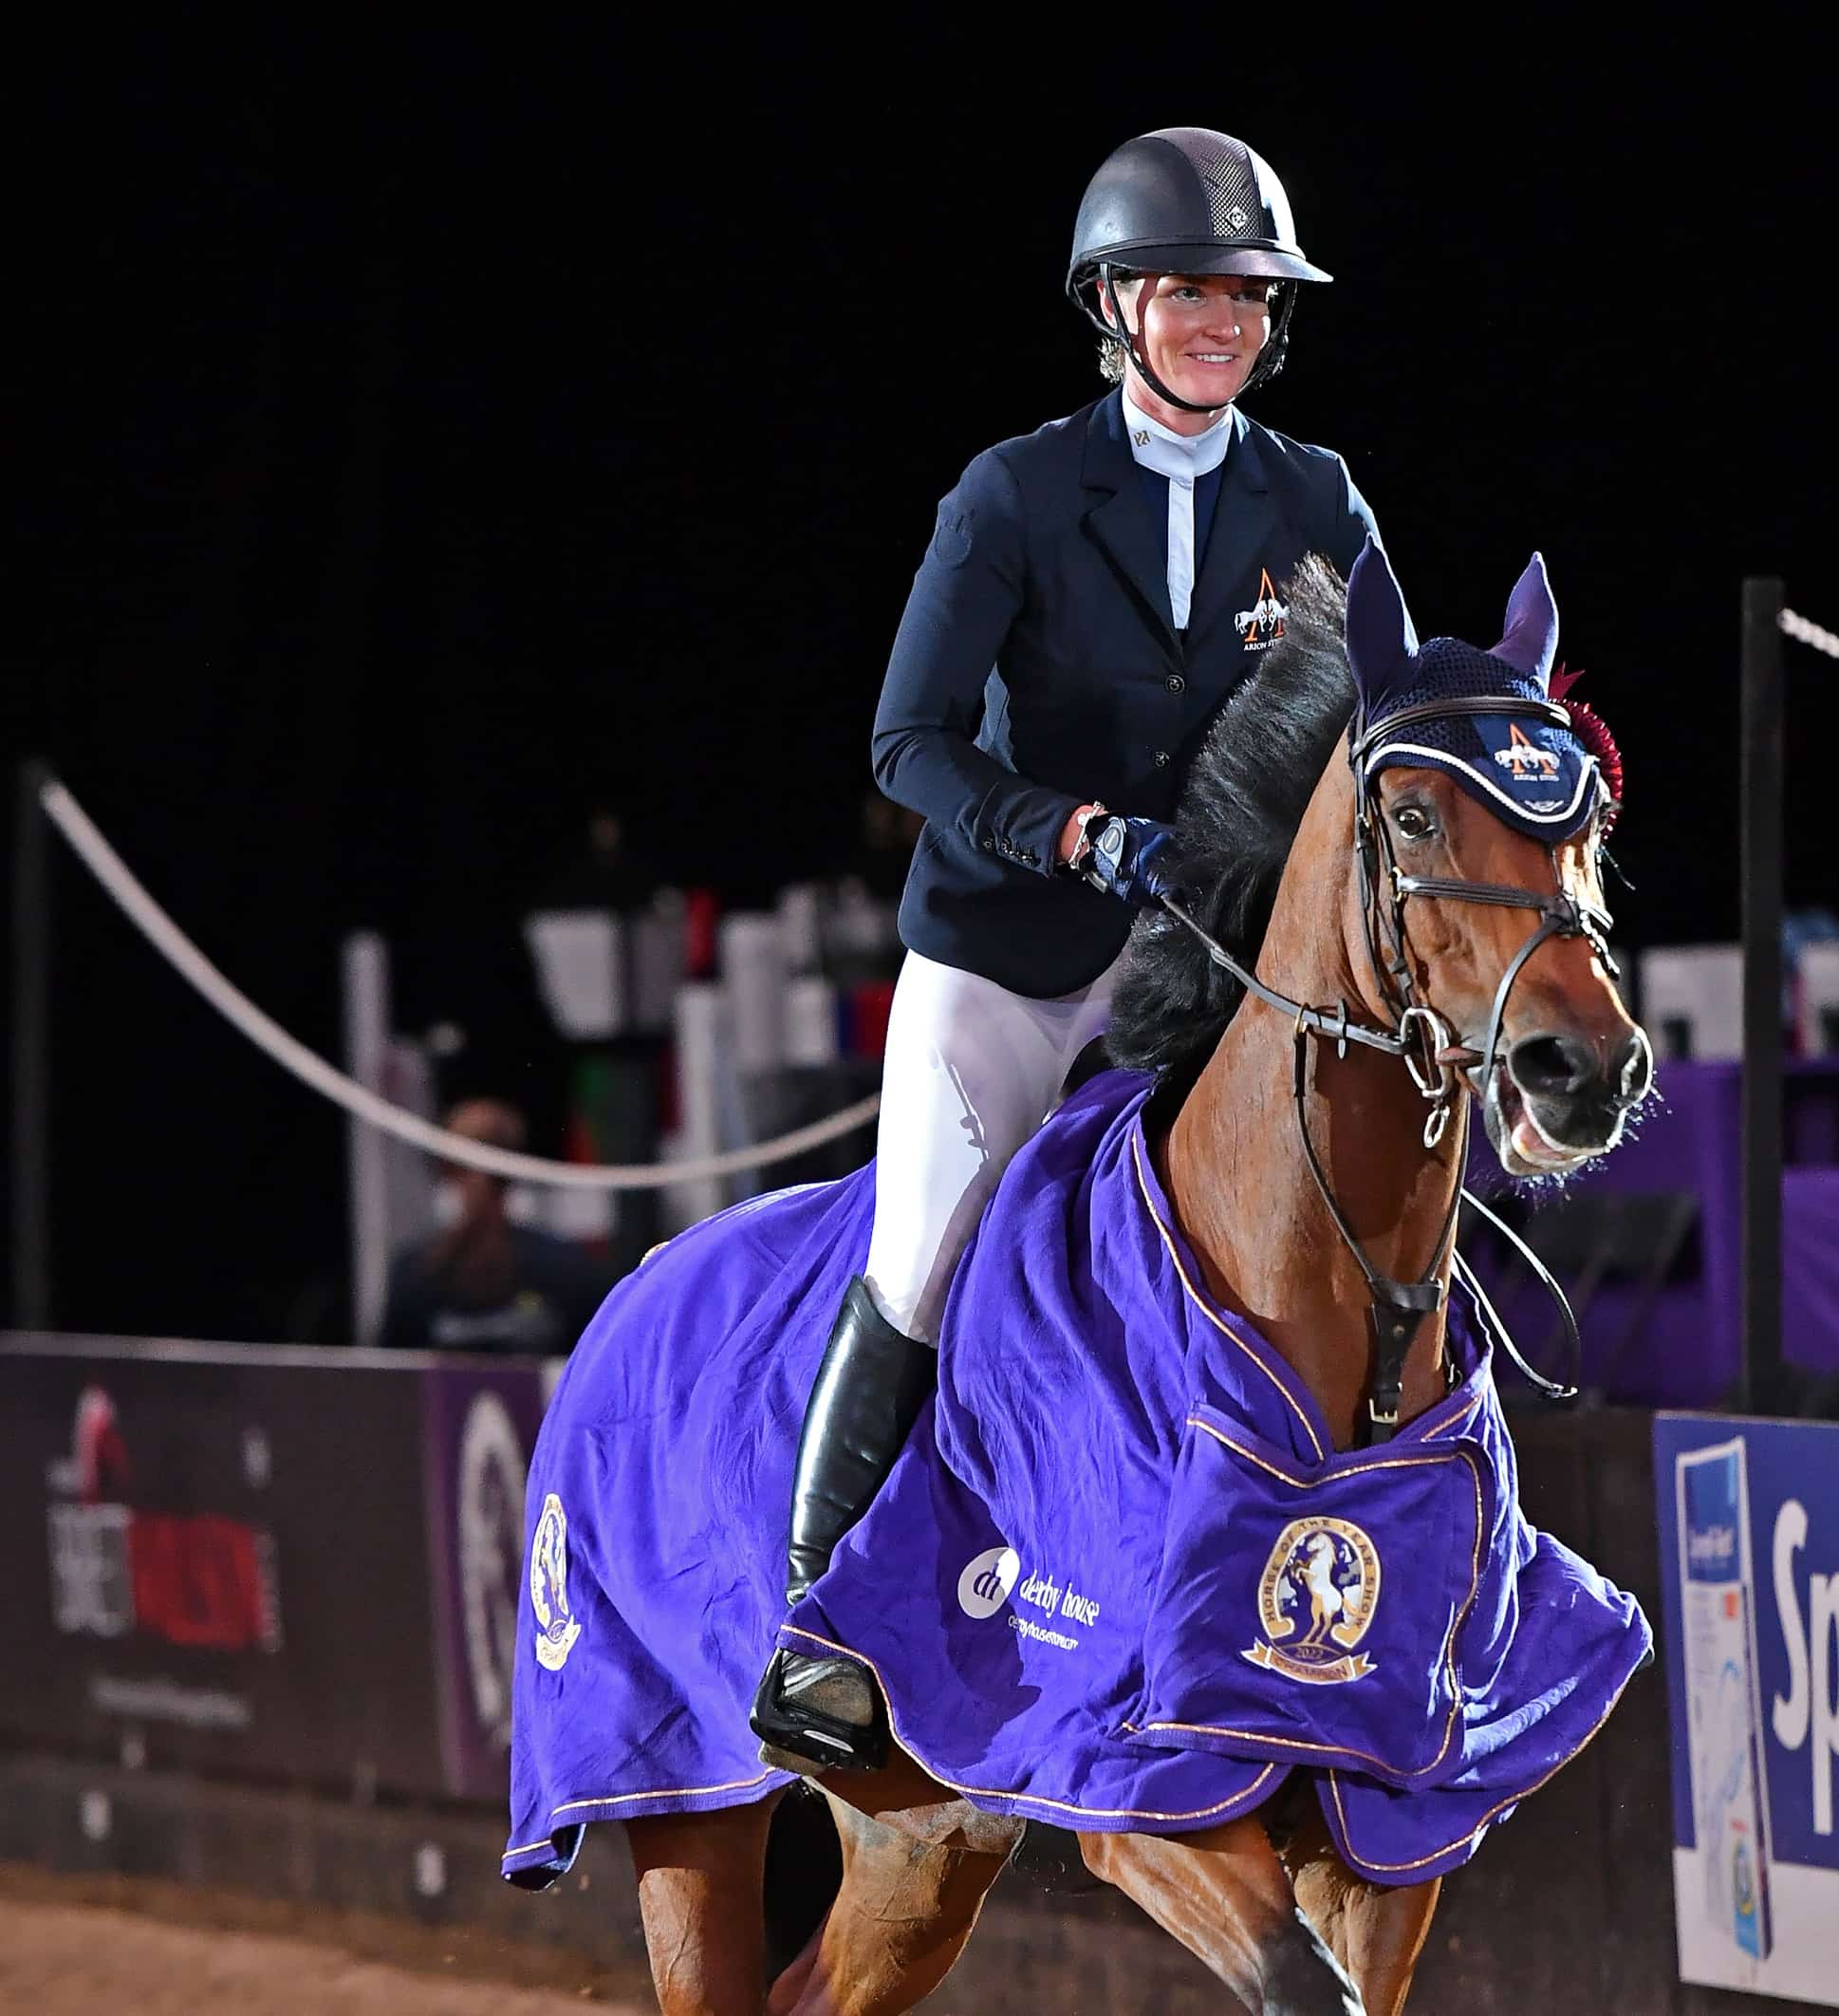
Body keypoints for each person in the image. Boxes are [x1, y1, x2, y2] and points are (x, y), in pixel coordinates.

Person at [751, 126, 1384, 1773]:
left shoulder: (1314, 498)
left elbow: (1377, 722)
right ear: (1115, 306)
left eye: (1247, 296)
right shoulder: (1015, 494)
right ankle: (819, 1622)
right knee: (928, 1251)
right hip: (1012, 958)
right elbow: (907, 742)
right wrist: (1074, 831)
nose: (1222, 321)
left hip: (1206, 963)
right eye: (1188, 292)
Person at [379, 1098, 616, 1355]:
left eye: (490, 1176)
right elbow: (387, 1369)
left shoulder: (564, 1268)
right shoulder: (416, 1271)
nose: (478, 1184)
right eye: (463, 1169)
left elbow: (597, 1358)